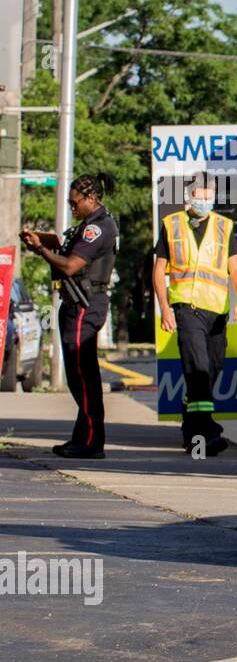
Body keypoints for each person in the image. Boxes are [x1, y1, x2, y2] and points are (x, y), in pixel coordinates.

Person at [19, 173, 119, 459]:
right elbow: (65, 252)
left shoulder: (97, 229)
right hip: (78, 303)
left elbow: (70, 266)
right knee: (80, 374)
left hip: (85, 304)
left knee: (81, 375)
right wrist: (45, 242)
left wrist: (40, 249)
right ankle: (84, 436)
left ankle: (90, 441)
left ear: (90, 198)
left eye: (74, 203)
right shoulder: (90, 226)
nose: (72, 207)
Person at [152, 171, 237, 456]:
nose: (205, 201)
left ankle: (191, 412)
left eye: (209, 196)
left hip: (217, 311)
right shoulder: (172, 224)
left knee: (212, 368)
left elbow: (235, 267)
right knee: (199, 369)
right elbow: (159, 270)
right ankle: (204, 438)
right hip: (186, 307)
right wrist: (164, 308)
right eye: (200, 196)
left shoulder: (224, 226)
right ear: (188, 197)